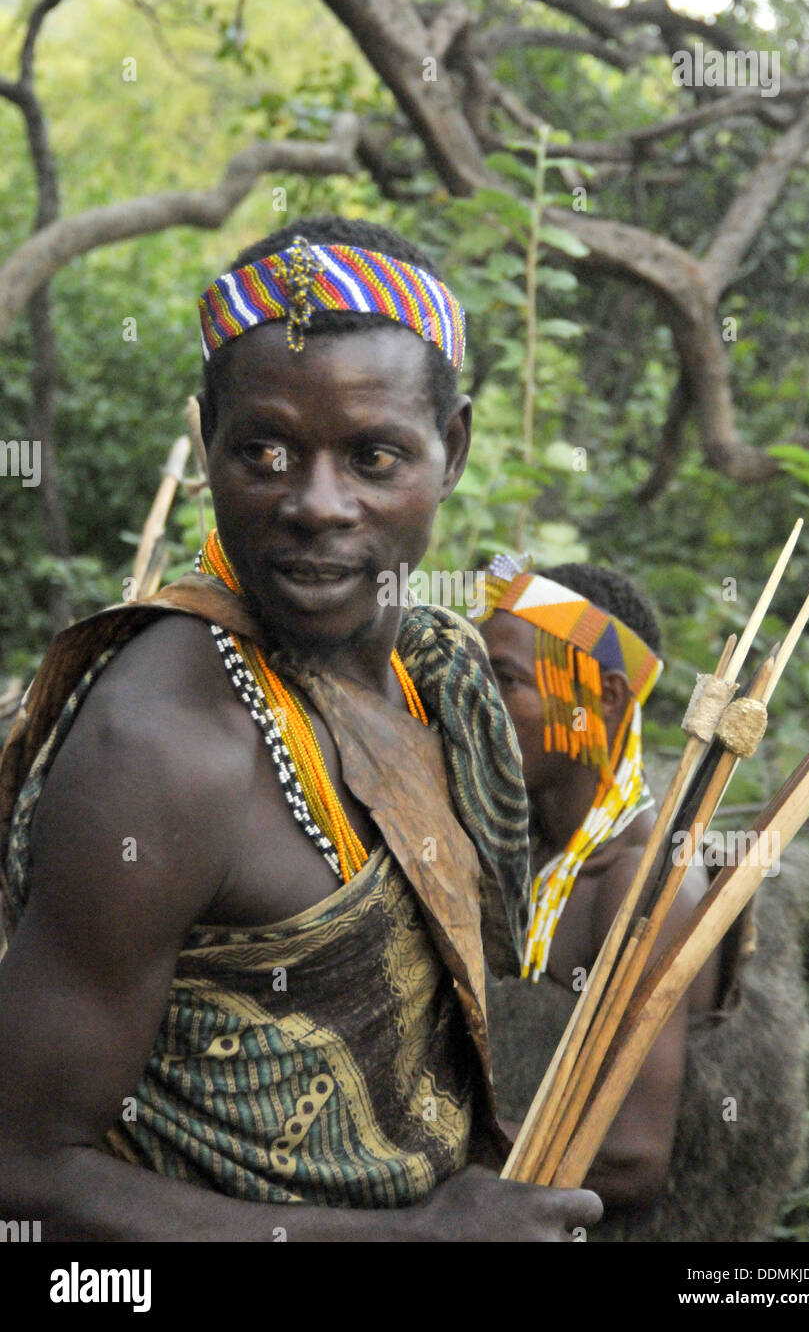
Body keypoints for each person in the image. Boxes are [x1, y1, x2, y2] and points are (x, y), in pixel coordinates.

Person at [0, 218, 602, 1242]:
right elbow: (22, 1164)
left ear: (448, 449)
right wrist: (411, 1241)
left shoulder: (433, 674)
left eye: (374, 455)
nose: (317, 504)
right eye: (264, 451)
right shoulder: (163, 747)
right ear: (207, 442)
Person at [478, 556, 809, 1240]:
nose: (475, 704)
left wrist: (419, 1146)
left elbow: (631, 1163)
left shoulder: (639, 884)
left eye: (505, 681)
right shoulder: (529, 853)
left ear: (601, 700)